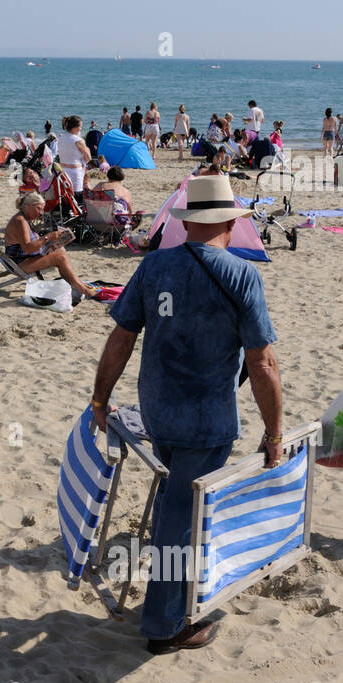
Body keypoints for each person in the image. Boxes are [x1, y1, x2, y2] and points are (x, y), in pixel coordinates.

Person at [90, 174, 283, 653]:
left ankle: (172, 604)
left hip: (158, 408)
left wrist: (100, 396)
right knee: (184, 517)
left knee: (175, 503)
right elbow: (262, 362)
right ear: (231, 222)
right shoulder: (241, 274)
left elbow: (121, 338)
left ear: (188, 221)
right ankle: (165, 625)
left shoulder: (155, 266)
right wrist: (275, 429)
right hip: (207, 418)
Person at [4, 191, 97, 299]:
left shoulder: (23, 219)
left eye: (42, 209)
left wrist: (50, 244)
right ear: (28, 206)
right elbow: (28, 248)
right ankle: (83, 289)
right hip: (17, 264)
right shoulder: (20, 221)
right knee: (60, 257)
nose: (41, 213)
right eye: (38, 208)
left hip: (23, 259)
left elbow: (28, 247)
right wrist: (47, 237)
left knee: (60, 250)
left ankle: (78, 284)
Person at [59, 115, 90, 195]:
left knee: (65, 196)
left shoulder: (61, 138)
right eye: (80, 126)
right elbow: (88, 158)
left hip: (62, 171)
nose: (81, 129)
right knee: (76, 196)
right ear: (75, 127)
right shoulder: (78, 140)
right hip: (75, 172)